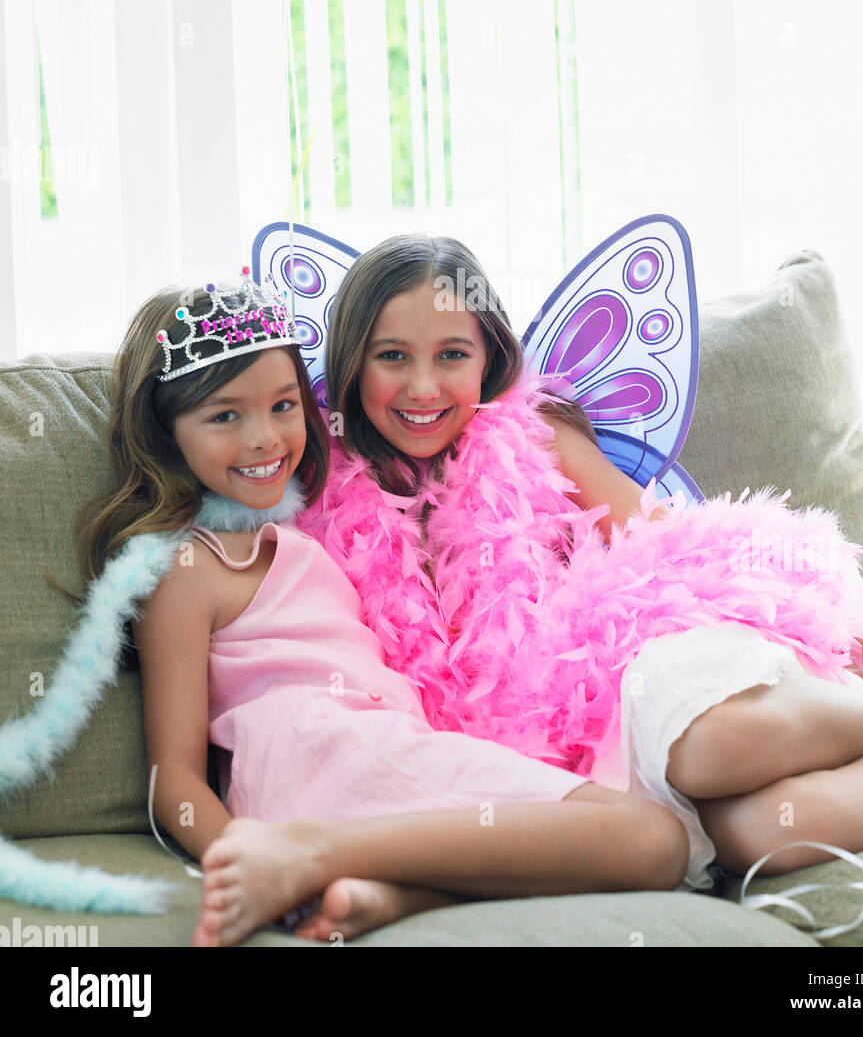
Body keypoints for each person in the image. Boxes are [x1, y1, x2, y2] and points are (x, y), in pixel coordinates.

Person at [294, 233, 863, 920]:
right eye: (391, 357)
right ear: (352, 362)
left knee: (708, 746)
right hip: (573, 761)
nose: (421, 386)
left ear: (489, 358)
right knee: (768, 833)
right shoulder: (321, 502)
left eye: (451, 355)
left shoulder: (532, 437)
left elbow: (683, 543)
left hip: (653, 667)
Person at [80, 269, 690, 947]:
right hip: (322, 755)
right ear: (166, 434)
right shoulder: (188, 566)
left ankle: (388, 894)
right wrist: (243, 852)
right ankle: (315, 856)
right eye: (225, 415)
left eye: (284, 406)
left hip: (384, 753)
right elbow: (176, 777)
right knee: (650, 838)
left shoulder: (299, 530)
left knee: (649, 842)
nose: (263, 438)